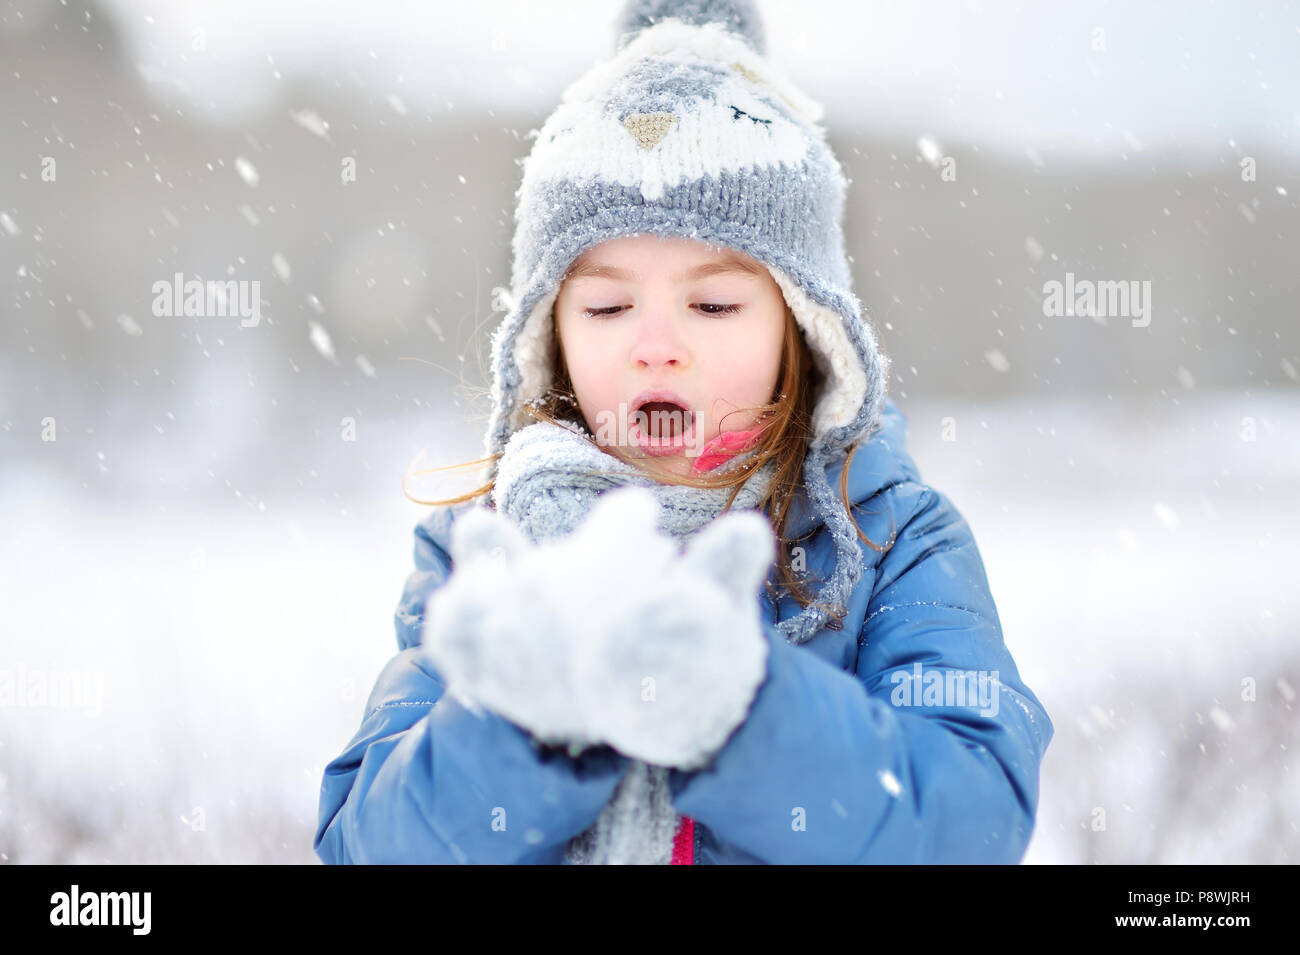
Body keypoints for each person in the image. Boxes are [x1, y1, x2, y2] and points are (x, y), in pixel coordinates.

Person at [314, 0, 1054, 865]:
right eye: (606, 305)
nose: (655, 349)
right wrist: (518, 732)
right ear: (550, 336)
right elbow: (370, 846)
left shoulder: (887, 541)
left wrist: (744, 715)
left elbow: (970, 819)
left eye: (712, 304)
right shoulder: (487, 549)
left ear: (803, 331)